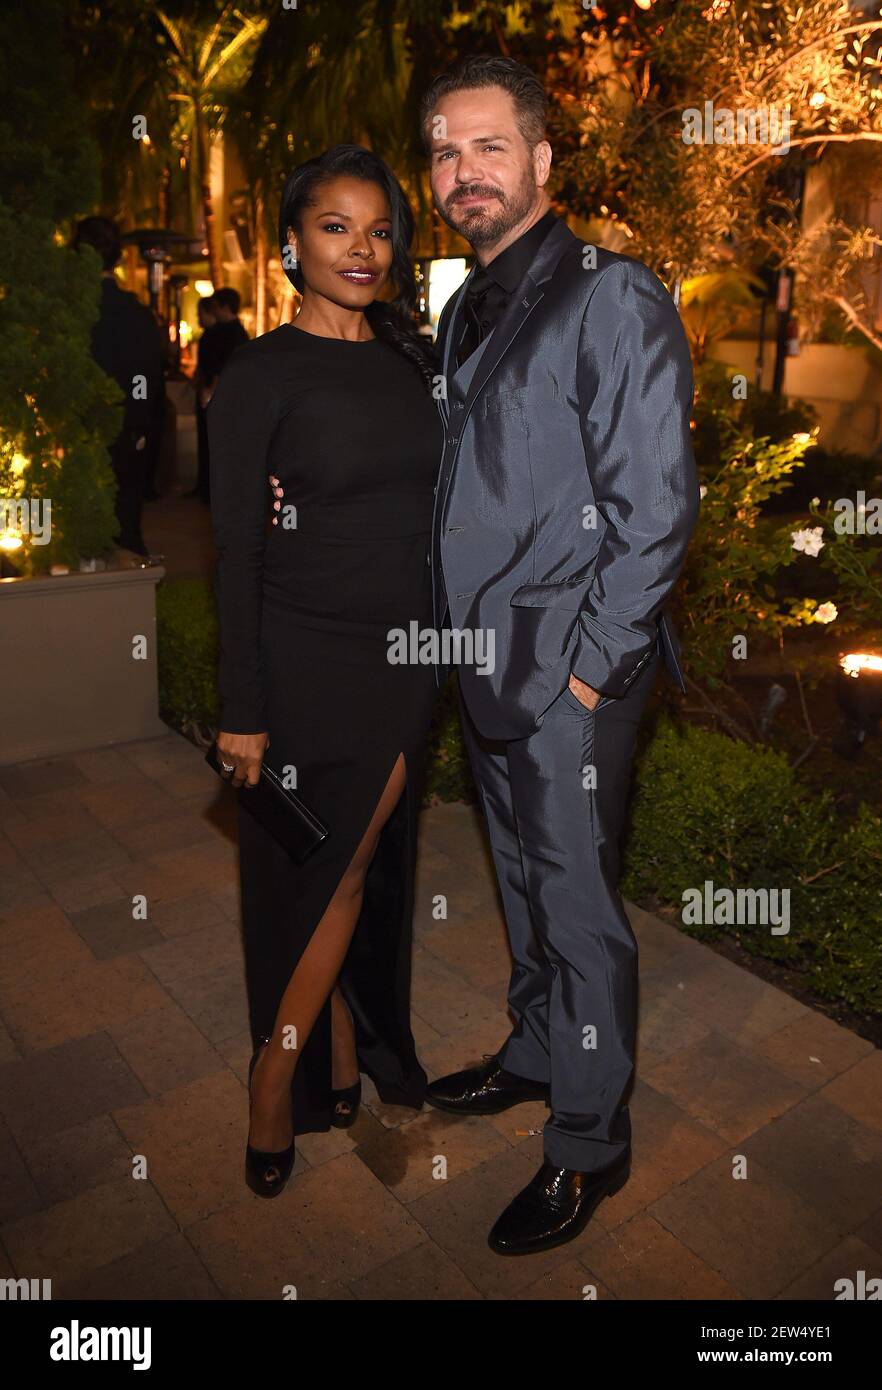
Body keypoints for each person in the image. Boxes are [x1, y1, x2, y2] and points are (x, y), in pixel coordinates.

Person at [420, 57, 701, 1255]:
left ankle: (590, 1140)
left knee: (579, 912)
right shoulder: (462, 302)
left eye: (489, 146)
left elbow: (656, 514)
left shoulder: (611, 293)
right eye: (443, 150)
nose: (462, 170)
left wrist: (588, 674)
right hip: (485, 664)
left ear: (542, 160)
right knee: (525, 884)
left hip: (569, 679)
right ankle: (537, 1054)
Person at [208, 146, 443, 1198]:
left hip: (404, 657)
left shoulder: (411, 363)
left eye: (381, 228)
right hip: (302, 659)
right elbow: (236, 557)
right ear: (293, 243)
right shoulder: (256, 375)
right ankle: (284, 1070)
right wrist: (243, 712)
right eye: (336, 226)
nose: (362, 247)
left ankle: (319, 1053)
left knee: (352, 862)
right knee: (327, 868)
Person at [73, 216, 165, 556]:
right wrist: (139, 418)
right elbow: (146, 375)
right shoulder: (136, 313)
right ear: (118, 258)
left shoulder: (70, 310)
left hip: (77, 428)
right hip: (126, 425)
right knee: (125, 514)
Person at [194, 288, 248, 505]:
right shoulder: (222, 331)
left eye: (216, 306)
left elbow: (225, 367)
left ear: (224, 307)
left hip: (223, 396)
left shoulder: (233, 333)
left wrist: (211, 390)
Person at [190, 294, 218, 503]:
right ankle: (203, 487)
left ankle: (207, 489)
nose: (198, 318)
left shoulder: (216, 336)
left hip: (211, 396)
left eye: (200, 314)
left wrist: (208, 390)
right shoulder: (208, 335)